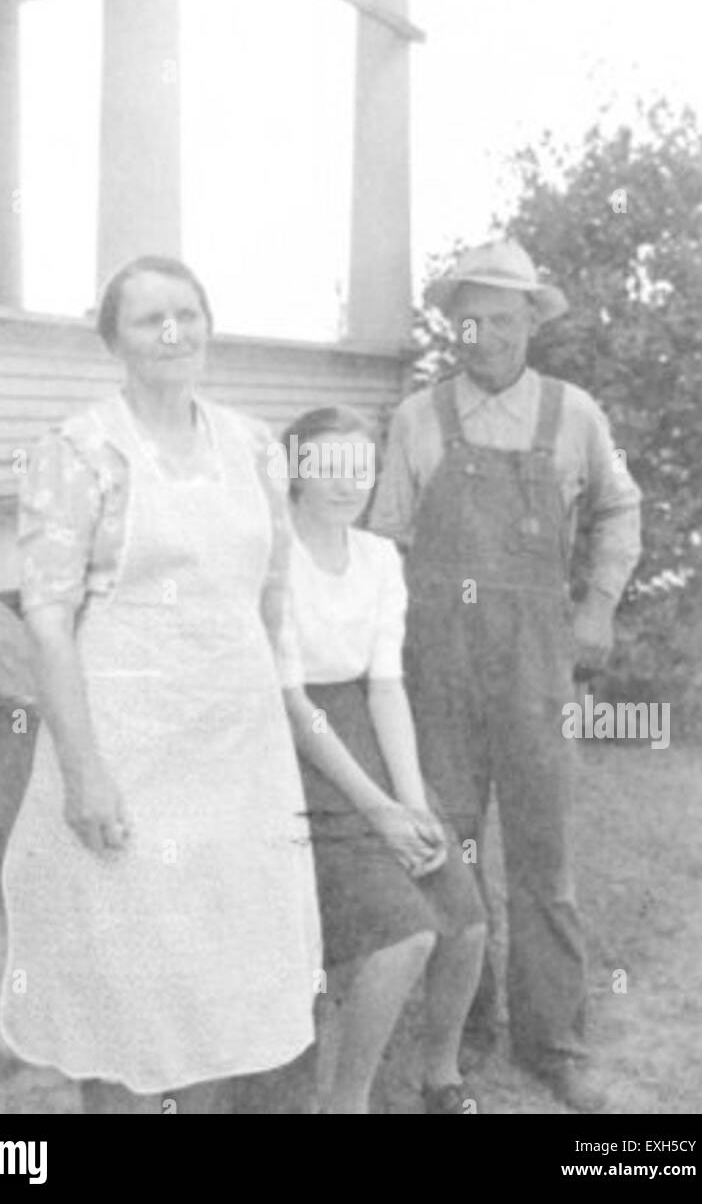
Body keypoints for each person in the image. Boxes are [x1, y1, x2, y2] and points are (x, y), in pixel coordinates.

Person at [0, 255, 323, 1114]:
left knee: (218, 988)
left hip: (236, 763)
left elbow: (272, 595)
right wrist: (84, 772)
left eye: (188, 312)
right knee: (127, 991)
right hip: (127, 760)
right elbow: (47, 621)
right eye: (150, 319)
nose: (174, 332)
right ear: (115, 341)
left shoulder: (254, 446)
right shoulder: (76, 452)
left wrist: (285, 725)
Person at [369, 239, 642, 1113]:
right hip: (437, 666)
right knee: (449, 851)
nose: (480, 332)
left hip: (537, 666)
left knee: (545, 859)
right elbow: (385, 545)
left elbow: (619, 509)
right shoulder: (418, 418)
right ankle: (466, 1029)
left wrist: (598, 607)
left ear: (532, 320)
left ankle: (555, 1042)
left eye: (498, 316)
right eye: (466, 318)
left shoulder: (575, 415)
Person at [278, 406, 486, 1115]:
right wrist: (378, 811)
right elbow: (291, 700)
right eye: (329, 466)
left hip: (370, 735)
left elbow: (386, 684)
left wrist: (413, 804)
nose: (347, 483)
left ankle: (442, 1075)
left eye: (360, 468)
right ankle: (345, 1101)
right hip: (298, 749)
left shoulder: (377, 558)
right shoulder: (272, 558)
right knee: (405, 938)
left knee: (465, 915)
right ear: (295, 472)